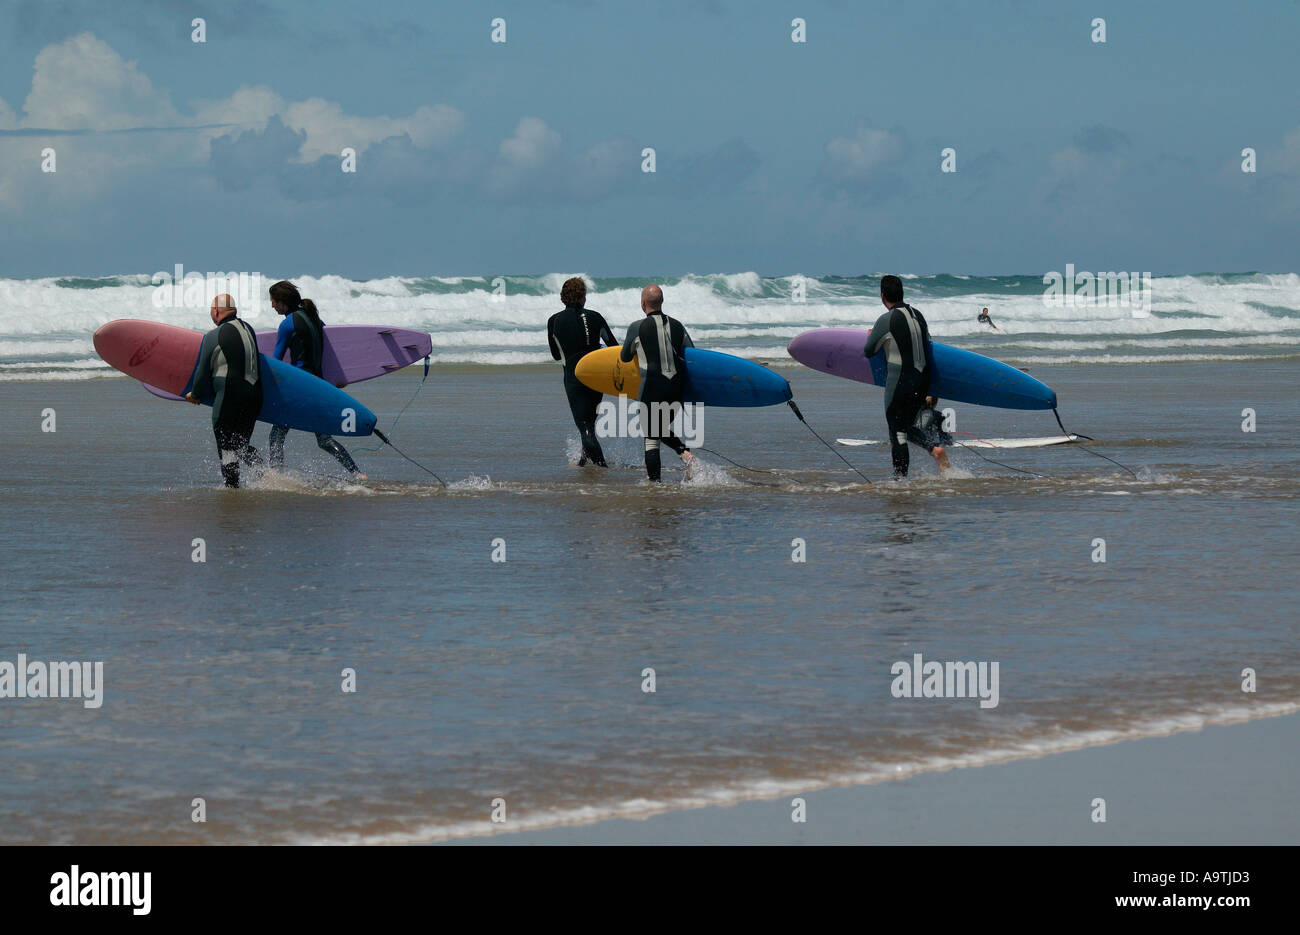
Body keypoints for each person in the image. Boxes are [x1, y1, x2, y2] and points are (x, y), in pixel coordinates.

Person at [266, 280, 367, 480]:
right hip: (318, 385)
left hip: (299, 387)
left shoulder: (287, 324)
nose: (271, 306)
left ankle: (275, 475)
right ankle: (357, 473)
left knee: (277, 434)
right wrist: (339, 378)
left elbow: (276, 361)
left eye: (273, 301)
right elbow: (329, 351)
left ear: (282, 302)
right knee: (324, 439)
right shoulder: (314, 319)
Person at [619, 284, 696, 482]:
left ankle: (656, 485)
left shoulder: (636, 327)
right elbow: (692, 353)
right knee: (658, 429)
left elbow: (625, 357)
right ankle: (683, 453)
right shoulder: (678, 326)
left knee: (652, 437)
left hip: (651, 389)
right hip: (676, 390)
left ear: (643, 303)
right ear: (662, 302)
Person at [187, 294, 264, 488]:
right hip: (254, 397)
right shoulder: (249, 329)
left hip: (230, 395)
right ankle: (264, 474)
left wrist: (194, 394)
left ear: (216, 311)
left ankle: (232, 489)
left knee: (226, 445)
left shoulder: (214, 335)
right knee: (240, 444)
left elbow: (202, 370)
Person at [864, 275, 937, 478]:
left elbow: (869, 350)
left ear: (882, 296)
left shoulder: (886, 320)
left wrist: (872, 335)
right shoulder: (918, 315)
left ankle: (900, 481)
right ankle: (934, 448)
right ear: (902, 293)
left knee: (897, 432)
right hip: (923, 382)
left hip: (900, 382)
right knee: (905, 427)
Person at [547, 277, 618, 466]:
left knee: (585, 427)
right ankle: (583, 461)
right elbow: (614, 347)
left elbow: (556, 355)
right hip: (597, 377)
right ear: (583, 297)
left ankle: (602, 468)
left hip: (573, 378)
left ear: (563, 297)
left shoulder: (554, 321)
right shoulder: (595, 316)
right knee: (589, 424)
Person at [913, 396, 953, 473]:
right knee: (939, 451)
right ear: (936, 403)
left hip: (911, 437)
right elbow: (942, 434)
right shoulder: (939, 415)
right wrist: (949, 440)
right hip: (924, 438)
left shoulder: (914, 413)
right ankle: (948, 475)